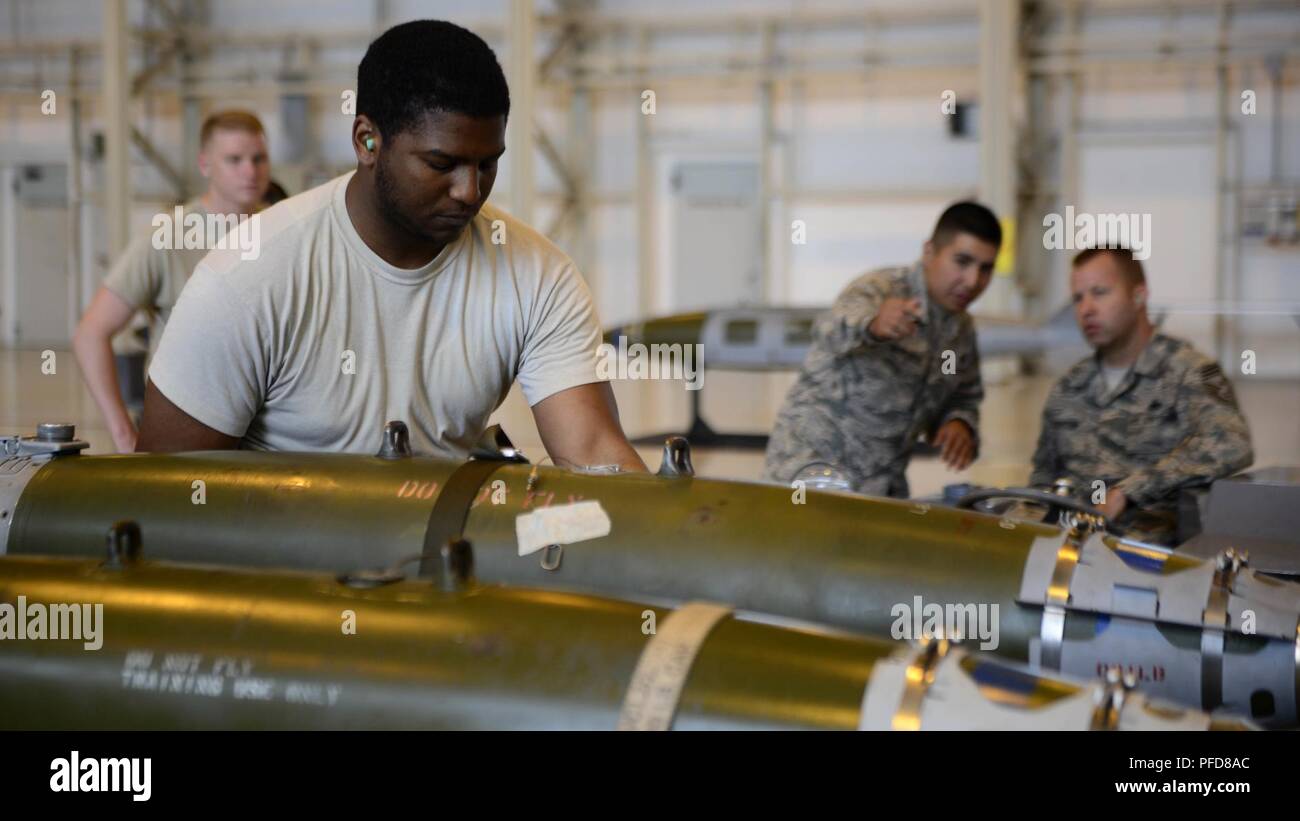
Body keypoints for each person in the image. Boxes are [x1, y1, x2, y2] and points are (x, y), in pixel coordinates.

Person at [136, 20, 646, 474]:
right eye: (442, 164)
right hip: (277, 573)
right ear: (367, 142)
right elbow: (164, 496)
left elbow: (595, 451)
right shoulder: (248, 276)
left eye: (487, 163)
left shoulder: (539, 276)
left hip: (436, 563)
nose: (470, 191)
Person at [764, 201, 1001, 496]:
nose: (973, 280)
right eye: (962, 262)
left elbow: (964, 393)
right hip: (814, 473)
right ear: (929, 252)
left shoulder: (960, 330)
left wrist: (957, 421)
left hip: (881, 484)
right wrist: (873, 323)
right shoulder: (880, 289)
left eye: (986, 269)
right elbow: (829, 329)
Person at [73, 110, 271, 453]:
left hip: (263, 433)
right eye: (234, 160)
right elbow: (91, 332)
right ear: (206, 165)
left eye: (258, 158)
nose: (249, 171)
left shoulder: (280, 231)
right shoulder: (169, 236)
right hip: (184, 432)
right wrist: (123, 435)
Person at [1029, 247, 1253, 544]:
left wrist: (1129, 492)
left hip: (1145, 561)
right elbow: (1042, 483)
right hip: (1070, 551)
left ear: (1138, 296)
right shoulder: (1069, 387)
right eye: (1078, 298)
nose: (1086, 309)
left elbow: (1231, 443)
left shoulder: (1190, 371)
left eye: (1100, 292)